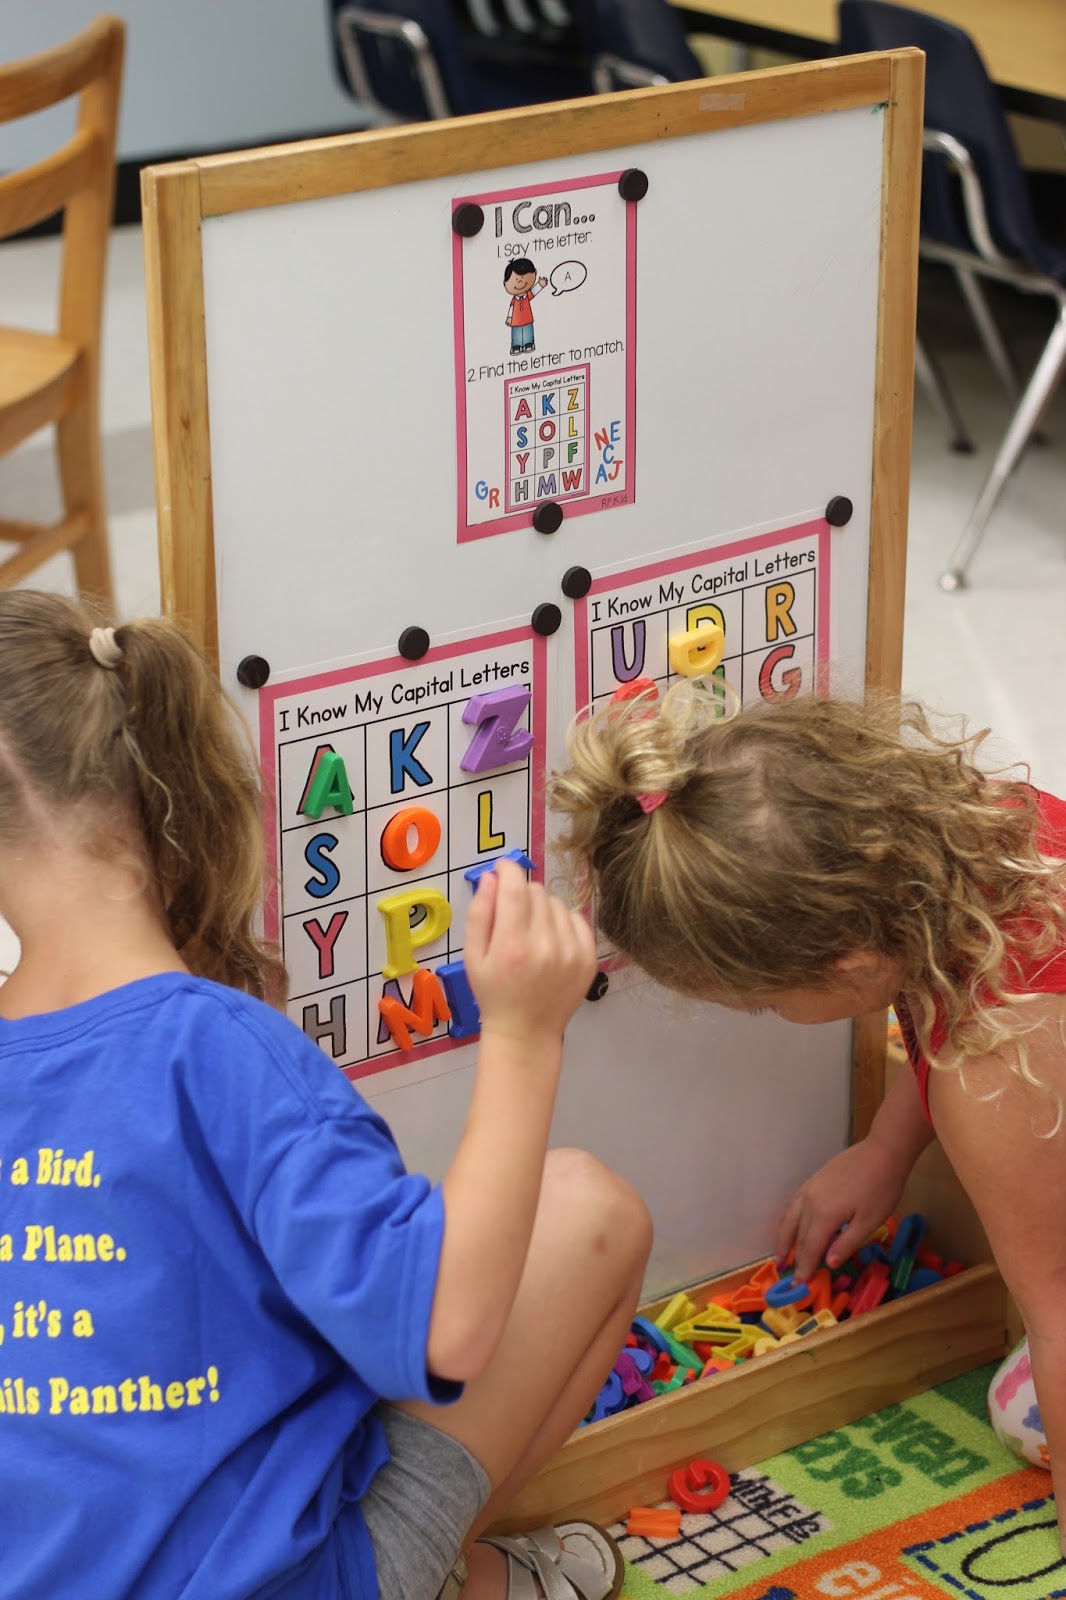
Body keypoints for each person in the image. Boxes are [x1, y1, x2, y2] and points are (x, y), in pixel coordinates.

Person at [0, 590, 651, 1600]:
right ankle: (446, 1576)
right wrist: (523, 1035)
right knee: (592, 1212)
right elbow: (447, 1328)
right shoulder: (220, 1048)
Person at [549, 676, 1066, 1554]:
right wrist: (887, 1145)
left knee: (1027, 1417)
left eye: (766, 1002)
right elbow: (947, 1004)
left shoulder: (992, 1073)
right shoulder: (977, 838)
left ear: (854, 963)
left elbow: (1056, 1309)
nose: (770, 1016)